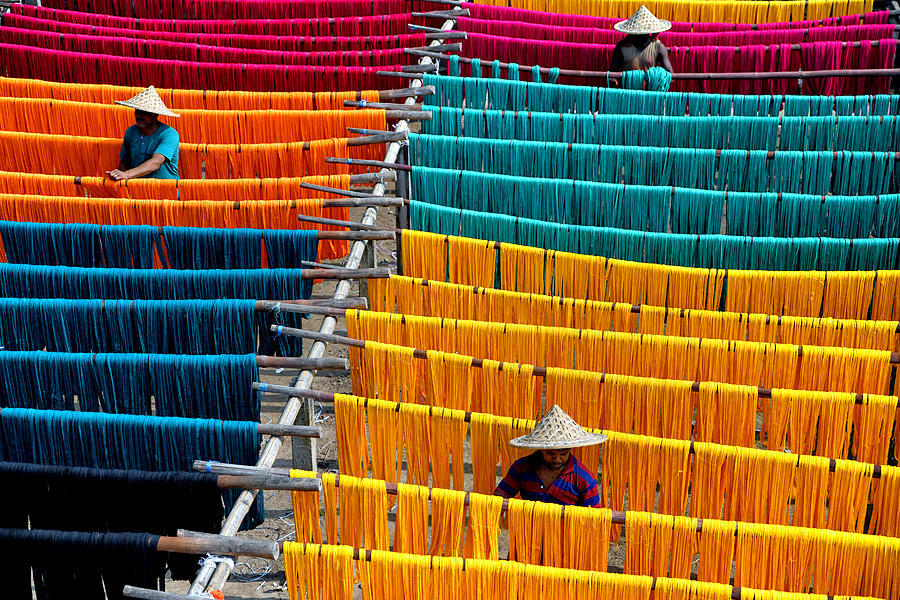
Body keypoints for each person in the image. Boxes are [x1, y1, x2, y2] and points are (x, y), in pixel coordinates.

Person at [493, 405, 608, 507]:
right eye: (551, 453)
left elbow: (593, 518)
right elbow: (502, 494)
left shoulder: (584, 478)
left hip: (566, 531)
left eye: (563, 454)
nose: (557, 459)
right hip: (529, 530)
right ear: (541, 449)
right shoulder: (521, 467)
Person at [107, 85, 180, 181]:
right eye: (137, 111)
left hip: (166, 190)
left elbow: (156, 162)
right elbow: (125, 161)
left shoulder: (169, 134)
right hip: (137, 189)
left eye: (144, 112)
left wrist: (126, 174)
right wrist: (118, 178)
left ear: (155, 115)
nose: (138, 115)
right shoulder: (131, 132)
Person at [610, 6, 674, 91]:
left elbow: (671, 75)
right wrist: (614, 81)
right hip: (627, 94)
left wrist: (657, 80)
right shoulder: (622, 47)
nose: (642, 35)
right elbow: (612, 72)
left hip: (650, 94)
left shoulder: (658, 47)